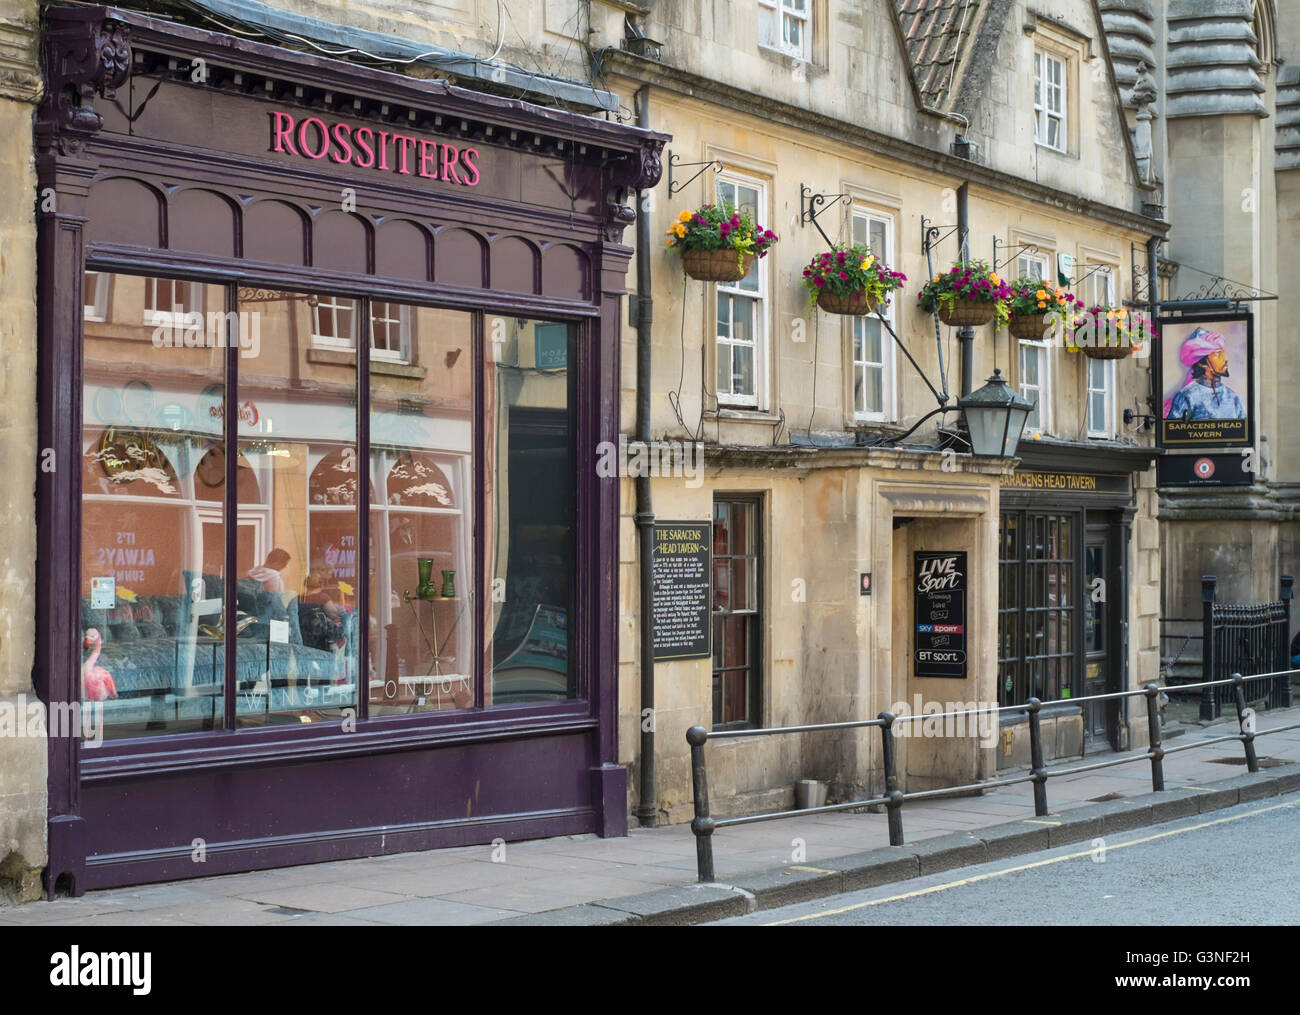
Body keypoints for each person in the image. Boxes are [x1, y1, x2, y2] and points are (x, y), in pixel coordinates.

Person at [1164, 328, 1245, 421]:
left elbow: (1244, 429)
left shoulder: (1232, 396)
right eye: (1218, 355)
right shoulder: (1187, 396)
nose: (1225, 359)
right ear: (1202, 362)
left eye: (1223, 354)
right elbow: (1173, 431)